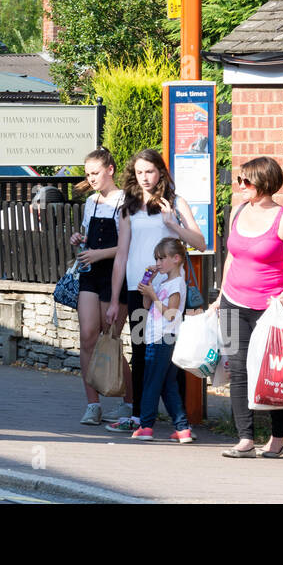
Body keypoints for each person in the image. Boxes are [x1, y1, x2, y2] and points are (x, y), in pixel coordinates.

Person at [210, 156, 283, 459]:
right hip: (232, 302)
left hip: (271, 308)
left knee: (276, 371)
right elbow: (232, 257)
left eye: (246, 181)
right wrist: (219, 296)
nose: (240, 186)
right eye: (239, 180)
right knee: (238, 370)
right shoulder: (238, 212)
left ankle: (278, 438)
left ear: (264, 184)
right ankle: (245, 439)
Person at [104, 149, 206, 432]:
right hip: (141, 291)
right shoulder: (128, 207)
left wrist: (172, 224)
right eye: (139, 172)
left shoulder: (175, 202)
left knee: (173, 353)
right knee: (141, 352)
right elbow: (122, 254)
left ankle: (180, 422)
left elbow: (200, 242)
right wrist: (115, 299)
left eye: (149, 171)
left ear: (160, 171)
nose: (144, 177)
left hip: (171, 292)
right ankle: (140, 417)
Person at [67, 149, 126, 425]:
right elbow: (89, 237)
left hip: (115, 273)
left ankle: (129, 403)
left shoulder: (125, 201)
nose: (91, 178)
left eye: (95, 173)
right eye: (87, 174)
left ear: (110, 170)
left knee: (110, 339)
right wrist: (79, 238)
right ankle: (93, 404)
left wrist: (100, 253)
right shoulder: (90, 202)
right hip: (90, 272)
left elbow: (128, 246)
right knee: (88, 335)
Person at [132, 237, 194, 443]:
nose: (158, 263)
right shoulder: (163, 281)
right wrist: (148, 284)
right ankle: (182, 428)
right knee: (168, 385)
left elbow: (170, 314)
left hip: (163, 338)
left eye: (162, 259)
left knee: (151, 382)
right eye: (156, 259)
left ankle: (146, 426)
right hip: (157, 337)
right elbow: (145, 303)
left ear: (176, 259)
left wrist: (155, 296)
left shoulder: (177, 284)